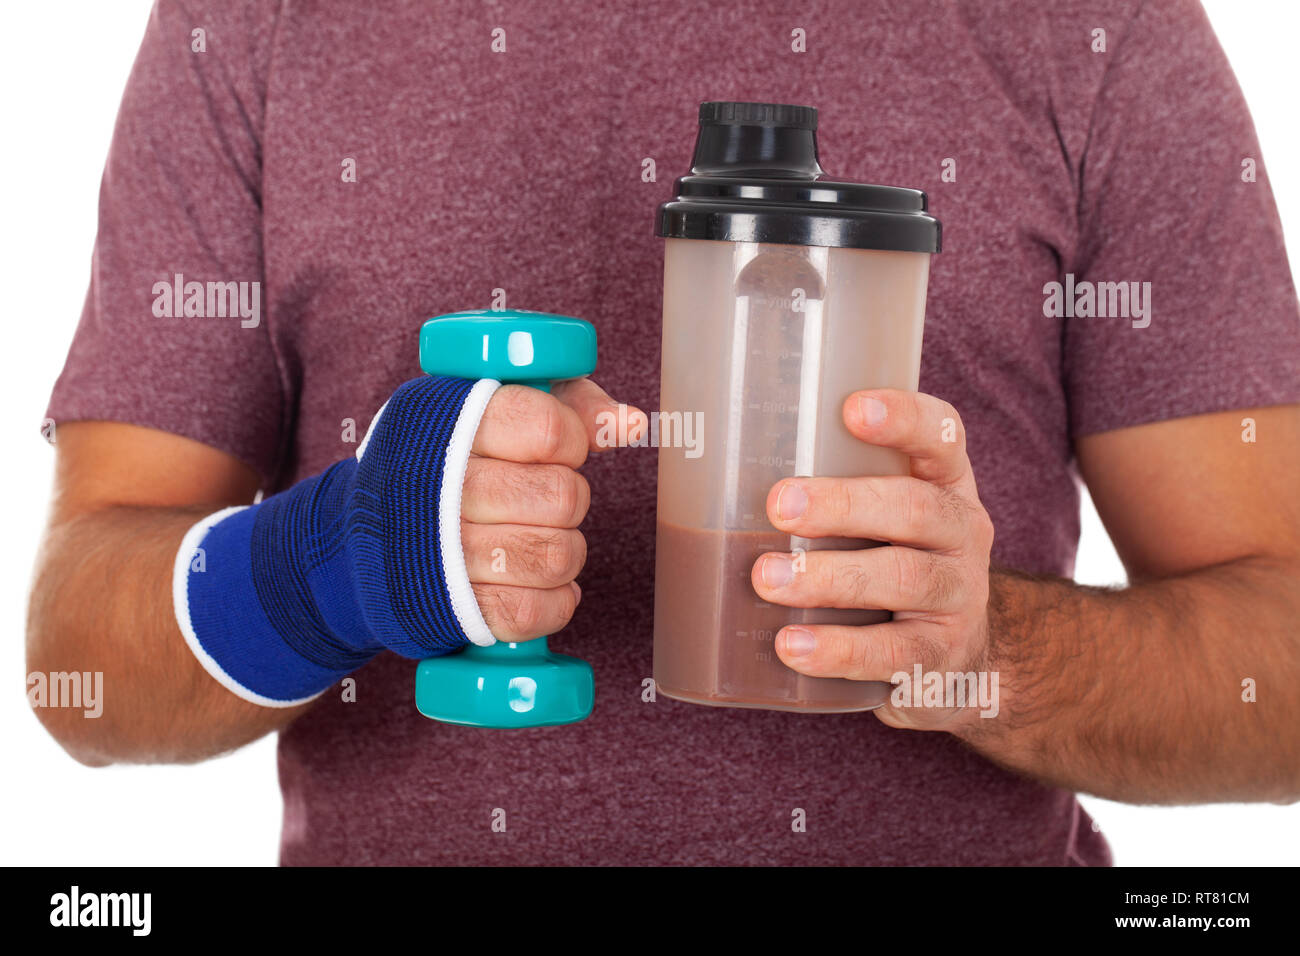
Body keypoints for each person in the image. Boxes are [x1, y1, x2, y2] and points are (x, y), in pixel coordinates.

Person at [28, 0, 1300, 865]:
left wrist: (984, 645)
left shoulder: (1090, 29)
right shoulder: (262, 23)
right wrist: (347, 557)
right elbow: (81, 665)